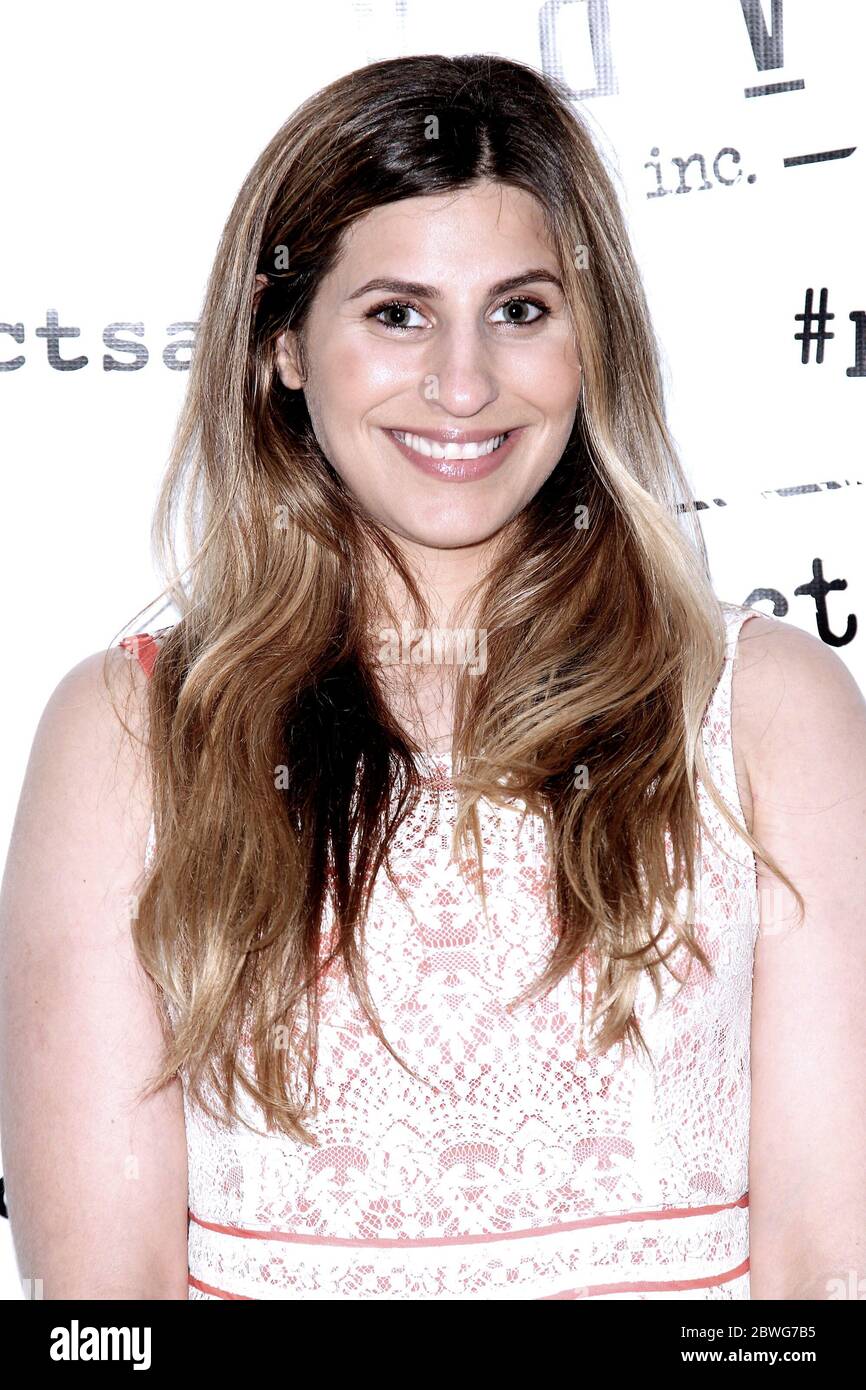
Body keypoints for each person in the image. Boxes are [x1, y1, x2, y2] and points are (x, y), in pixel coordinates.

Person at [1, 52, 864, 1302]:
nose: (462, 386)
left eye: (519, 311)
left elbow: (823, 1273)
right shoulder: (132, 733)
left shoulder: (764, 708)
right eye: (396, 314)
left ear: (590, 339)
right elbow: (102, 1311)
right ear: (283, 345)